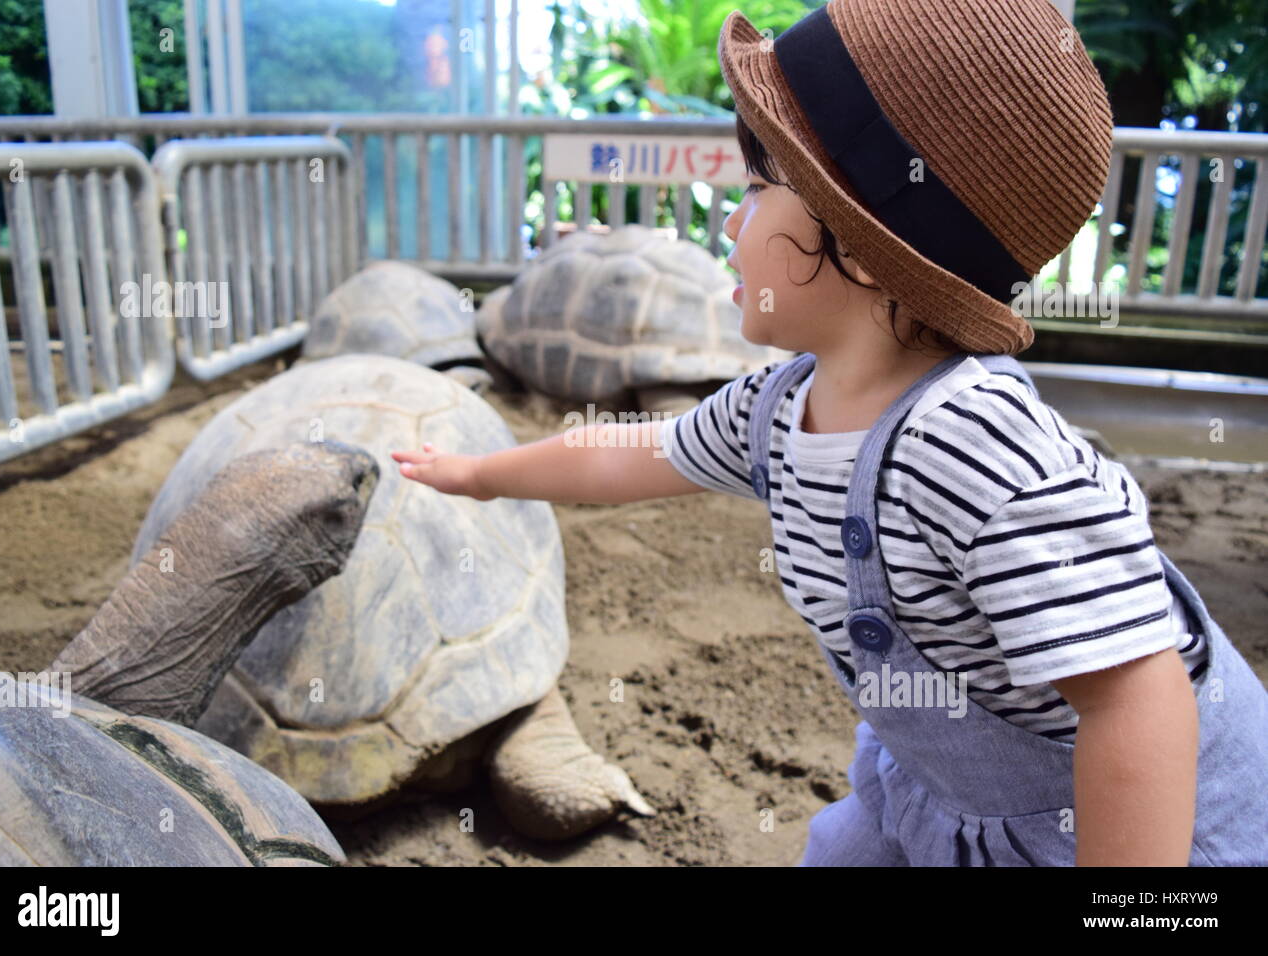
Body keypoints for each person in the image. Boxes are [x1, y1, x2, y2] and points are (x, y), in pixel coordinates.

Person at [391, 0, 1268, 866]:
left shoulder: (976, 448)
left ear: (864, 240)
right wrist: (483, 472)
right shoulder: (776, 406)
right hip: (931, 787)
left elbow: (1137, 697)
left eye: (763, 187)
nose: (732, 222)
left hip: (1116, 819)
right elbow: (636, 449)